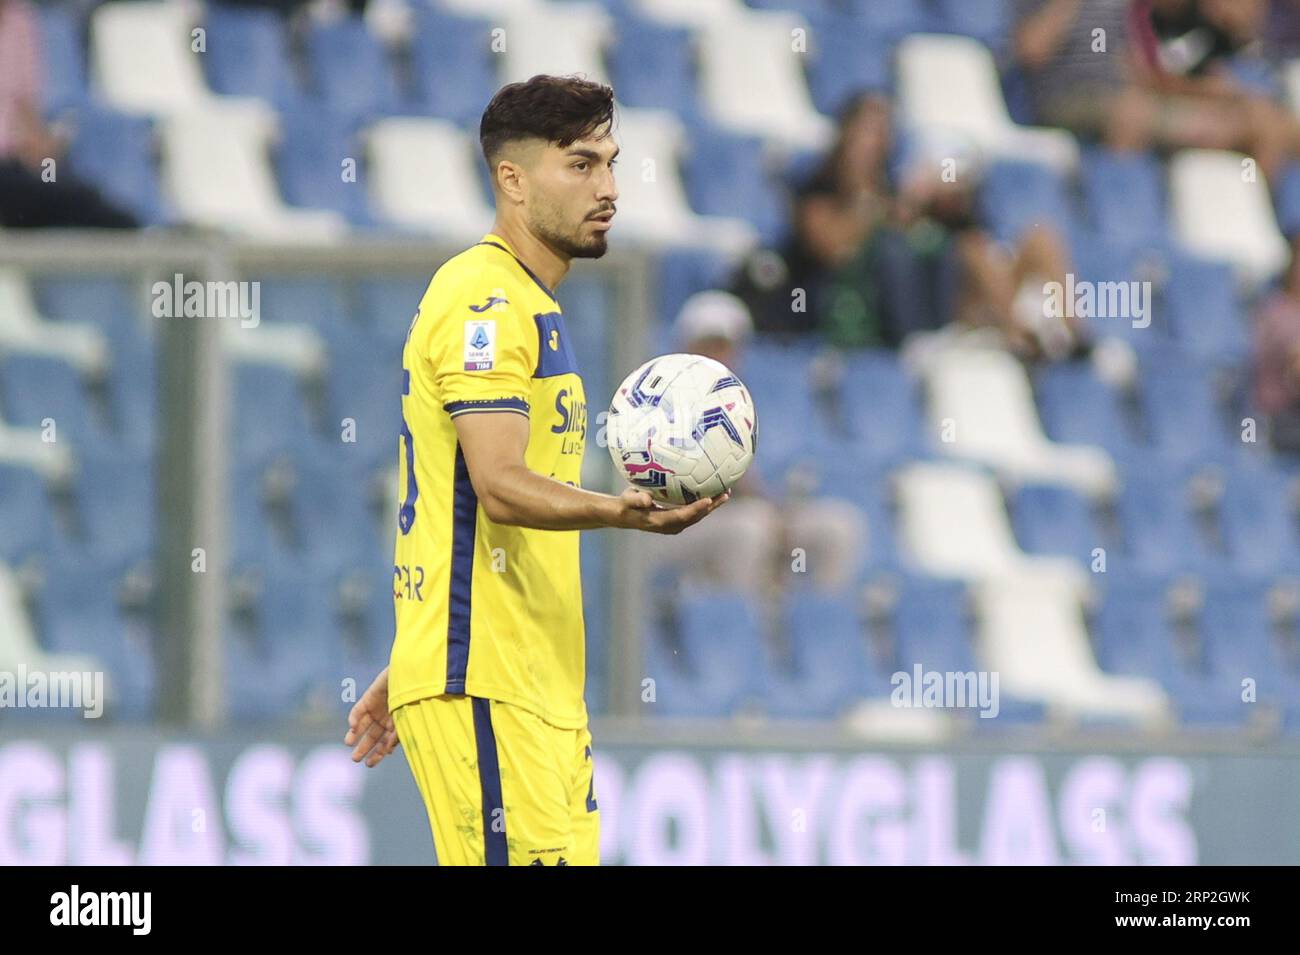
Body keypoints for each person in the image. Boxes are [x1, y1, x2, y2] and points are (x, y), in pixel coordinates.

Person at [342, 75, 729, 866]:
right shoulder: (483, 297)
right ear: (512, 180)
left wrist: (419, 649)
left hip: (529, 682)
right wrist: (625, 512)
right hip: (490, 683)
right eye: (581, 165)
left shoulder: (531, 303)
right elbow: (497, 483)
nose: (610, 190)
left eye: (611, 164)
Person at [0, 0, 137, 228]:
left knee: (72, 196)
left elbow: (25, 108)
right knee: (68, 200)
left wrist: (42, 147)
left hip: (14, 167)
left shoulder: (20, 20)